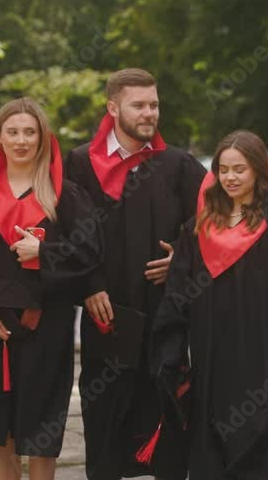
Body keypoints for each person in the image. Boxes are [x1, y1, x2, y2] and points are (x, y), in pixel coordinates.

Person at [152, 130, 268, 479]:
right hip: (210, 358)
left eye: (240, 169)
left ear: (260, 171)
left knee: (255, 448)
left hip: (262, 357)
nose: (229, 177)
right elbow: (176, 299)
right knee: (209, 450)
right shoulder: (198, 229)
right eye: (223, 169)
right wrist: (172, 357)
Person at [64, 68, 206, 480]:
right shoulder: (80, 164)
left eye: (154, 105)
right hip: (108, 317)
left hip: (165, 319)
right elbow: (66, 232)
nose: (149, 113)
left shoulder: (176, 164)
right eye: (138, 105)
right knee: (106, 423)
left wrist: (182, 258)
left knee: (167, 421)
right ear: (113, 108)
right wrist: (88, 286)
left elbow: (214, 220)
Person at [0, 98, 102, 480]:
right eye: (12, 132)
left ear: (43, 138)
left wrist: (45, 250)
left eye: (29, 132)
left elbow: (90, 255)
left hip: (46, 329)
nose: (21, 140)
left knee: (42, 425)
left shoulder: (63, 194)